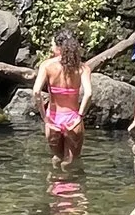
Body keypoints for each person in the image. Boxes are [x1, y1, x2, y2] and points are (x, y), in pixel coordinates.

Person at [32, 29, 92, 166]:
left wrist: (44, 117)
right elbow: (88, 93)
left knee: (56, 158)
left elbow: (36, 92)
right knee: (70, 163)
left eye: (52, 44)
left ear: (59, 47)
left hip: (53, 118)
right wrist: (80, 116)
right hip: (73, 119)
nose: (51, 47)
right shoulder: (82, 68)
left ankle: (53, 184)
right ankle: (72, 185)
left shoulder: (47, 66)